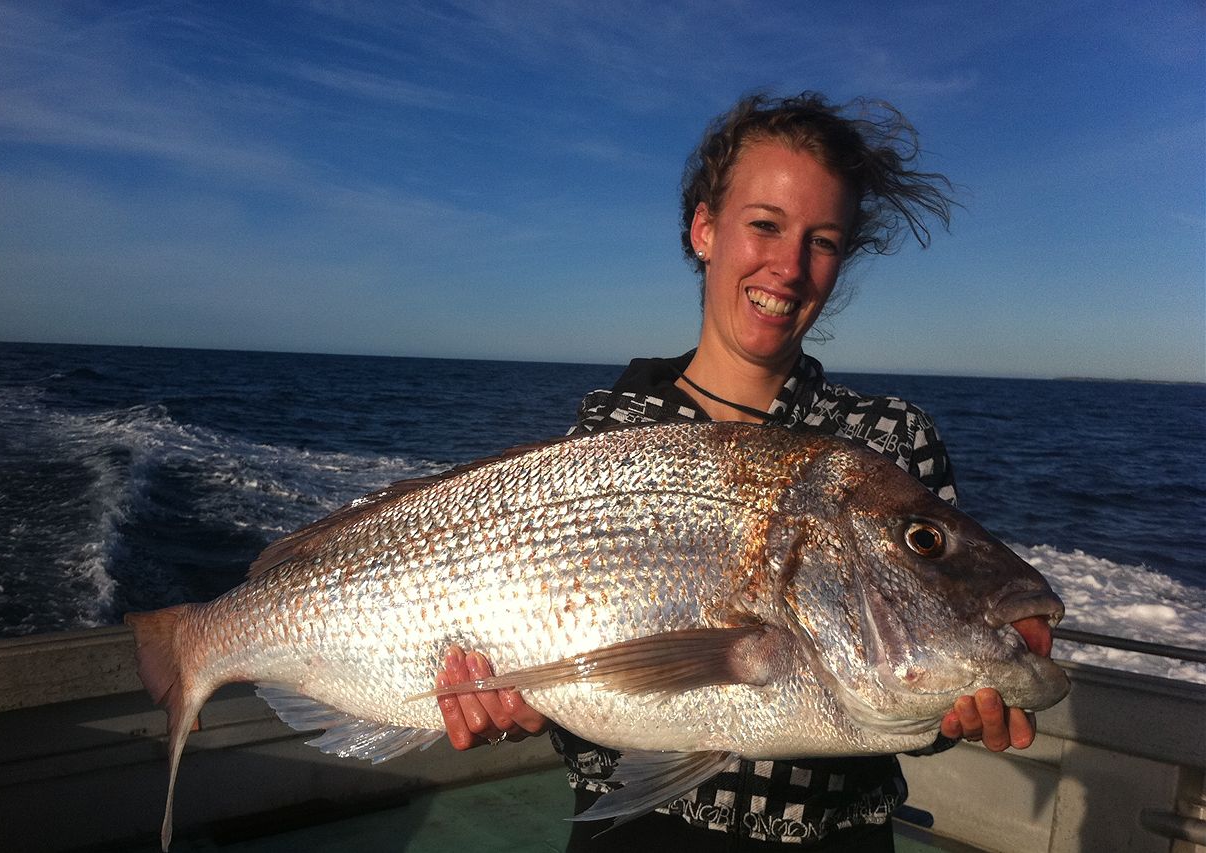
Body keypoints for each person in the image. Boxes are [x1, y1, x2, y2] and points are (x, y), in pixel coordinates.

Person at [434, 92, 1040, 850]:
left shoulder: (888, 438)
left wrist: (952, 714)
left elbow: (910, 687)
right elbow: (566, 687)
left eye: (823, 241)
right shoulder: (607, 434)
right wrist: (503, 705)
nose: (788, 267)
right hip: (632, 833)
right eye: (764, 225)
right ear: (704, 229)